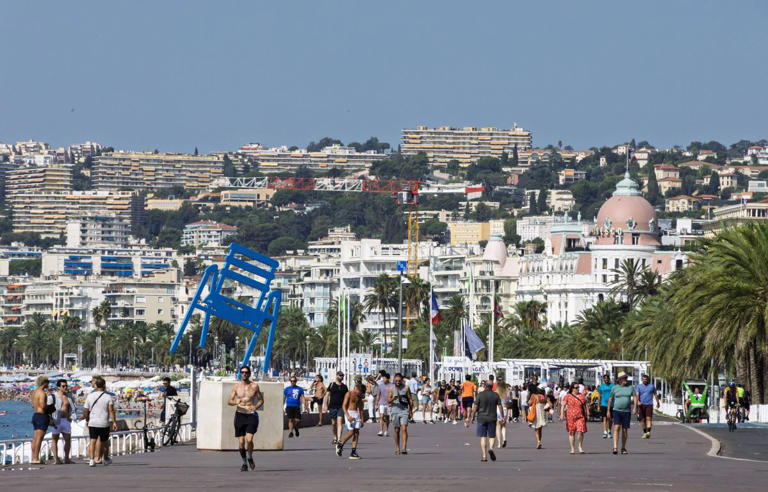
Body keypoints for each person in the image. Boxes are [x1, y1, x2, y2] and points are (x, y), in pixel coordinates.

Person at [227, 366, 263, 471]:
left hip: (251, 414)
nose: (244, 374)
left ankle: (250, 457)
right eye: (242, 372)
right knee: (241, 442)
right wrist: (235, 402)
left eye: (246, 372)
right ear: (240, 373)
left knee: (249, 439)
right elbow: (229, 401)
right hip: (240, 414)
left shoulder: (255, 386)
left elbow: (261, 400)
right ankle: (244, 463)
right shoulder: (236, 386)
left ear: (249, 373)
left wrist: (255, 406)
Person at [84, 375, 118, 467]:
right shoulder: (108, 397)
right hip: (104, 423)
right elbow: (111, 410)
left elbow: (86, 410)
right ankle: (106, 459)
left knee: (92, 441)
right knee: (105, 442)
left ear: (96, 385)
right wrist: (114, 422)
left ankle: (91, 460)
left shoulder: (90, 396)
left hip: (93, 422)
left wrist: (87, 420)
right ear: (103, 385)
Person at [473, 377, 504, 462]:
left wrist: (472, 416)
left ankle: (484, 456)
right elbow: (500, 407)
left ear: (485, 386)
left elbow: (475, 407)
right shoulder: (495, 395)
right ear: (492, 387)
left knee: (483, 437)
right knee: (492, 436)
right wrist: (502, 416)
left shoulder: (480, 395)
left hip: (481, 418)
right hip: (492, 418)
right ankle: (491, 448)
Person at [607, 372, 635, 455]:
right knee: (616, 427)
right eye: (623, 378)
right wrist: (608, 410)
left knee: (624, 430)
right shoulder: (615, 388)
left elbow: (635, 397)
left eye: (626, 378)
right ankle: (615, 447)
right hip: (617, 410)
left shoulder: (630, 388)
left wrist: (635, 407)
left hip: (626, 411)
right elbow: (610, 399)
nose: (625, 380)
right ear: (619, 380)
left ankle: (623, 448)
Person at [335, 382, 365, 459]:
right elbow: (344, 406)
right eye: (360, 391)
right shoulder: (349, 394)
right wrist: (348, 416)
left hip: (356, 414)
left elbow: (361, 408)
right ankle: (340, 444)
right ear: (357, 389)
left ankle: (353, 452)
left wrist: (362, 419)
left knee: (357, 433)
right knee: (351, 432)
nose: (361, 393)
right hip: (349, 412)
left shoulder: (360, 396)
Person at [51, 379, 76, 464]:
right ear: (58, 387)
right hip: (56, 420)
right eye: (63, 386)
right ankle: (56, 459)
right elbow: (47, 409)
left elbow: (74, 408)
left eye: (66, 386)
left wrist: (71, 417)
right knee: (55, 439)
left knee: (68, 440)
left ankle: (66, 458)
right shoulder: (53, 396)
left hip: (66, 420)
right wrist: (50, 419)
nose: (65, 387)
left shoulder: (69, 396)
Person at [388, 373, 413, 455]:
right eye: (396, 381)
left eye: (399, 380)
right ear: (394, 380)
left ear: (402, 380)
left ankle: (404, 448)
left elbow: (410, 399)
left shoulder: (406, 388)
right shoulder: (391, 388)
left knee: (404, 428)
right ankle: (397, 448)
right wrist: (392, 399)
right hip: (394, 410)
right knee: (396, 430)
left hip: (404, 410)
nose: (398, 382)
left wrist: (411, 411)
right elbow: (388, 401)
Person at [560, 382, 588, 454]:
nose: (578, 389)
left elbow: (586, 404)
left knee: (580, 431)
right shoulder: (568, 396)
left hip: (580, 416)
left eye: (578, 387)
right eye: (576, 387)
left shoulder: (582, 396)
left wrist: (588, 413)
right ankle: (572, 448)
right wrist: (562, 414)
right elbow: (563, 405)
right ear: (572, 388)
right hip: (570, 417)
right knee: (571, 432)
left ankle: (580, 446)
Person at [30, 375, 51, 464]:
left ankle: (34, 457)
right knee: (39, 438)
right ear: (44, 383)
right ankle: (36, 458)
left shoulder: (34, 392)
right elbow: (43, 406)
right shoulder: (42, 393)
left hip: (35, 415)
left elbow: (32, 405)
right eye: (48, 383)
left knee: (35, 438)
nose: (48, 385)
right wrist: (49, 407)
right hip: (42, 415)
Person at [326, 372, 348, 444]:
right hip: (332, 406)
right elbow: (327, 396)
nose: (341, 377)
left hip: (341, 407)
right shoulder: (331, 385)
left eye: (342, 376)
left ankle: (339, 439)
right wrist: (325, 405)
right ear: (336, 376)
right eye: (340, 375)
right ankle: (335, 437)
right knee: (333, 423)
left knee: (340, 422)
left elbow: (347, 398)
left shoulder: (344, 387)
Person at [635, 374, 660, 438]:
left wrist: (658, 402)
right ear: (642, 380)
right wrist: (637, 402)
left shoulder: (651, 386)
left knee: (648, 418)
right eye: (643, 379)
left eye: (646, 379)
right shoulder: (639, 386)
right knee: (642, 420)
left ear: (648, 379)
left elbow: (655, 394)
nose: (644, 380)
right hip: (641, 405)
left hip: (649, 404)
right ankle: (645, 432)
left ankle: (648, 432)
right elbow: (637, 395)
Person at [597, 374, 614, 439]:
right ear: (603, 379)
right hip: (603, 404)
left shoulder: (612, 386)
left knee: (610, 418)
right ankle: (605, 431)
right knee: (604, 418)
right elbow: (599, 396)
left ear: (609, 379)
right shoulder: (601, 387)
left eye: (607, 378)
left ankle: (609, 431)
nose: (606, 380)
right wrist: (598, 405)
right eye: (605, 379)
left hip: (612, 404)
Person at [376, 373, 393, 437]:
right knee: (381, 416)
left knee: (387, 417)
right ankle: (381, 431)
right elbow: (378, 395)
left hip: (388, 404)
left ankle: (386, 431)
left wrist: (392, 402)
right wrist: (376, 404)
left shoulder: (391, 385)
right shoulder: (380, 385)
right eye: (383, 378)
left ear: (388, 378)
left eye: (384, 378)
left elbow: (393, 395)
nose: (383, 379)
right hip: (381, 403)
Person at [495, 378, 510, 448]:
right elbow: (509, 401)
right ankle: (504, 439)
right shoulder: (507, 391)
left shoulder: (496, 392)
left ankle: (499, 443)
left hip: (498, 408)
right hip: (505, 408)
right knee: (503, 426)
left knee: (498, 426)